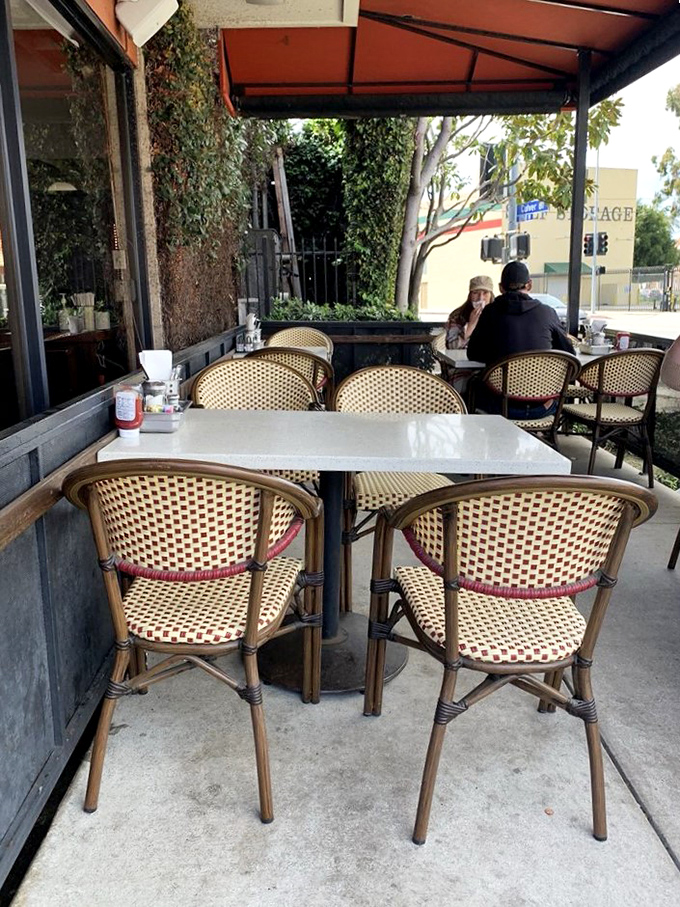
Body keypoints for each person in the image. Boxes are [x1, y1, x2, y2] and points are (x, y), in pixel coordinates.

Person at [467, 260, 575, 418]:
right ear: (529, 285)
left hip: (499, 407)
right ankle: (539, 436)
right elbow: (568, 354)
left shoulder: (490, 312)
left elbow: (473, 353)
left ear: (500, 288)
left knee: (474, 385)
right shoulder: (547, 313)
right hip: (541, 407)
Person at [445, 275, 494, 350]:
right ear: (470, 295)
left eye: (485, 293)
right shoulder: (457, 316)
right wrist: (470, 326)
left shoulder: (498, 314)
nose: (480, 298)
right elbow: (452, 347)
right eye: (475, 293)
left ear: (491, 296)